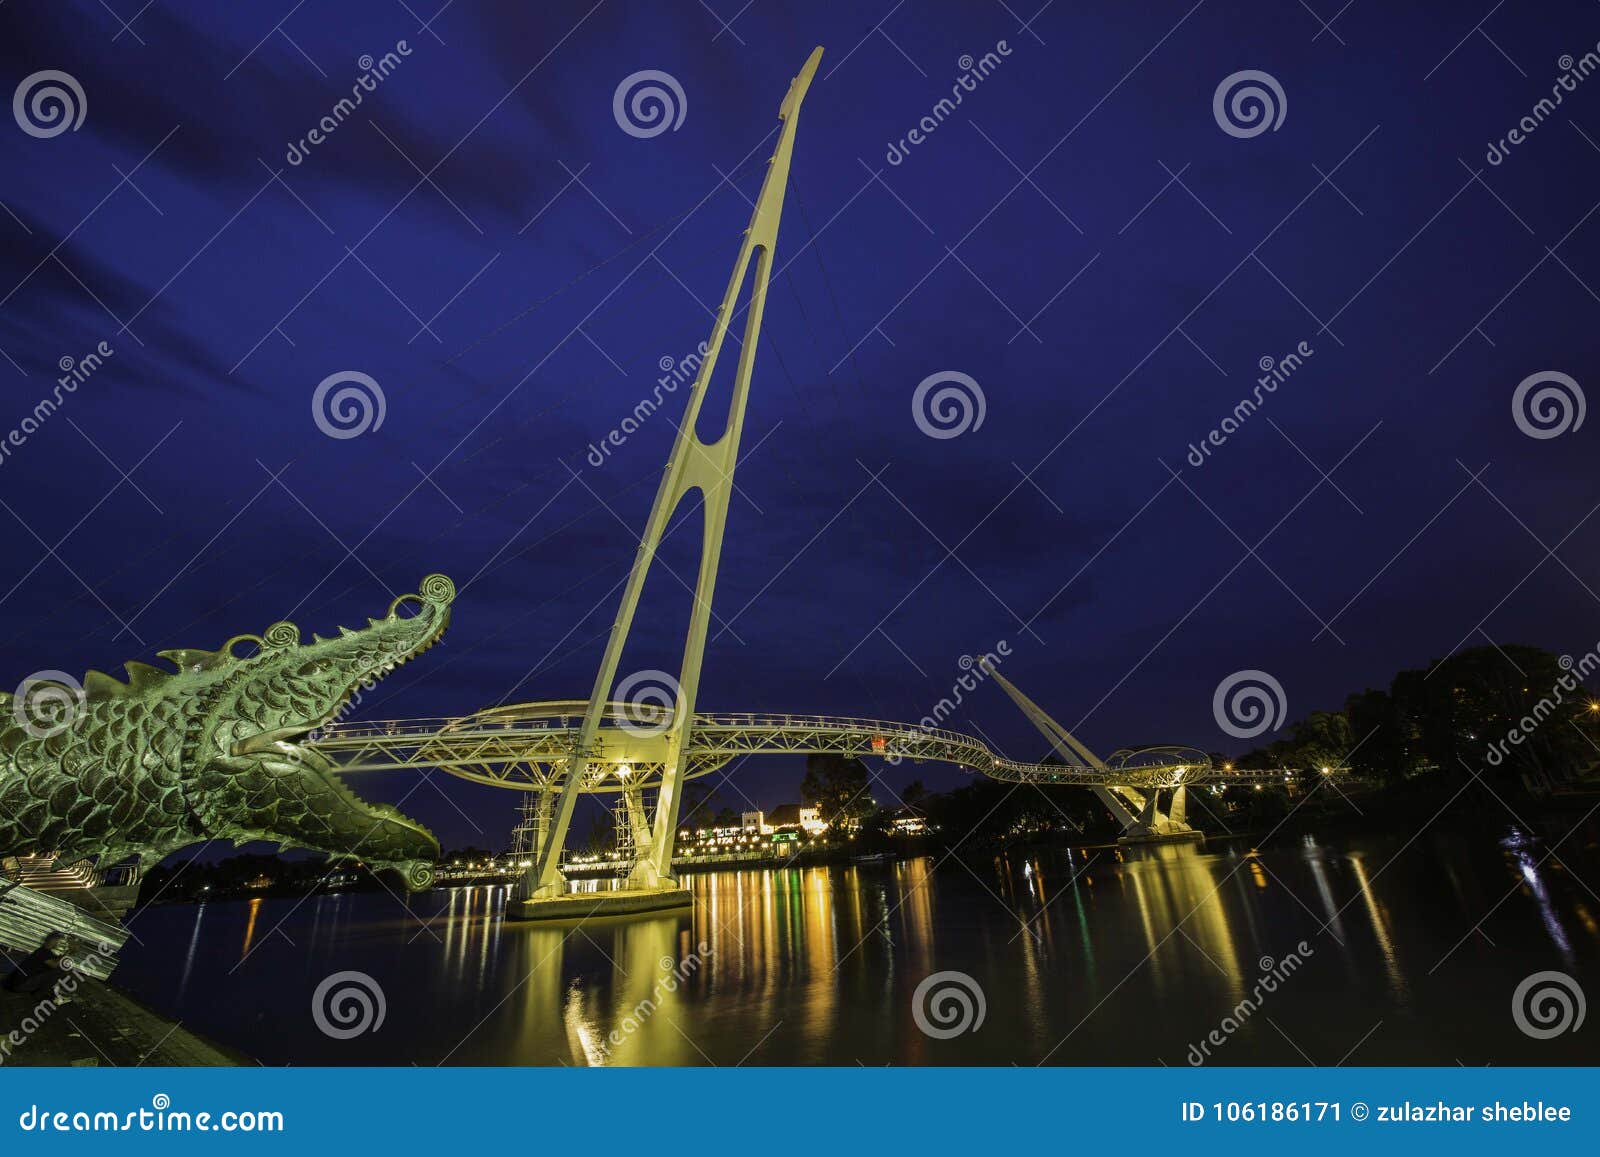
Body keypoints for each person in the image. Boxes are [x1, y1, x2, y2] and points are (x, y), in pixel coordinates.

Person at [3, 931, 71, 997]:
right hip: (18, 986)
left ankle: (50, 990)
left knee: (61, 967)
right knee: (60, 970)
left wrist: (67, 953)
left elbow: (57, 959)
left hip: (12, 984)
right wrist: (69, 952)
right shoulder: (43, 952)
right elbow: (54, 964)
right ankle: (40, 994)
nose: (60, 944)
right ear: (54, 941)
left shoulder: (42, 950)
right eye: (59, 941)